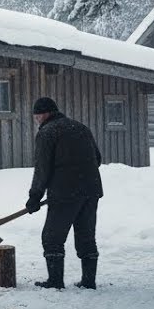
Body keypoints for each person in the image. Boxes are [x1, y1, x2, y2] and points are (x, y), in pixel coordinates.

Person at [25, 97, 102, 290]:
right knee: (86, 236)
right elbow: (97, 159)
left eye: (37, 116)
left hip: (64, 193)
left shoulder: (47, 132)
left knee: (52, 237)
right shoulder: (81, 128)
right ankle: (89, 281)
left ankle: (55, 281)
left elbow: (42, 169)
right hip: (91, 190)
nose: (36, 120)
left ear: (45, 114)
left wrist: (35, 196)